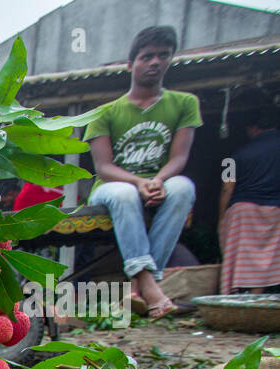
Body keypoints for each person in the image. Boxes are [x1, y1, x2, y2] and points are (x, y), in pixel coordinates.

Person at [84, 25, 201, 318]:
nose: (155, 63)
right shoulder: (105, 113)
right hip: (113, 187)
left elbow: (180, 157)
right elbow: (104, 167)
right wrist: (139, 182)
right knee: (125, 194)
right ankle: (148, 285)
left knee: (184, 186)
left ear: (171, 60)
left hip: (162, 182)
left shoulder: (185, 104)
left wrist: (159, 180)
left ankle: (142, 283)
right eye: (147, 56)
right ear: (131, 63)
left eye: (163, 56)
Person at [218, 87, 280, 293]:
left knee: (244, 259)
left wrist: (221, 218)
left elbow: (227, 188)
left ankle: (245, 298)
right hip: (277, 211)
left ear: (252, 128)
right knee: (272, 260)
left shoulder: (232, 156)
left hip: (243, 212)